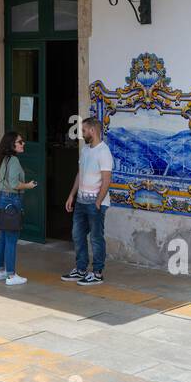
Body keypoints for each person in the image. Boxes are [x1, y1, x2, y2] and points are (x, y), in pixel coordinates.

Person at [61, 116, 114, 285]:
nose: (81, 133)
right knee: (77, 235)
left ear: (92, 130)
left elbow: (106, 180)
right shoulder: (85, 150)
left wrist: (98, 202)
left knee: (96, 238)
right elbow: (80, 173)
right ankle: (81, 269)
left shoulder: (103, 152)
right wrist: (72, 195)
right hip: (81, 202)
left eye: (83, 130)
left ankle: (97, 272)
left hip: (95, 204)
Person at [0, 131, 37, 286]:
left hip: (2, 200)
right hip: (12, 200)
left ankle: (0, 270)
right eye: (20, 141)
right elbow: (14, 184)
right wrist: (29, 185)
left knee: (3, 237)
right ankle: (11, 275)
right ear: (12, 144)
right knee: (11, 239)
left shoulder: (3, 159)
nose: (23, 143)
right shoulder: (14, 161)